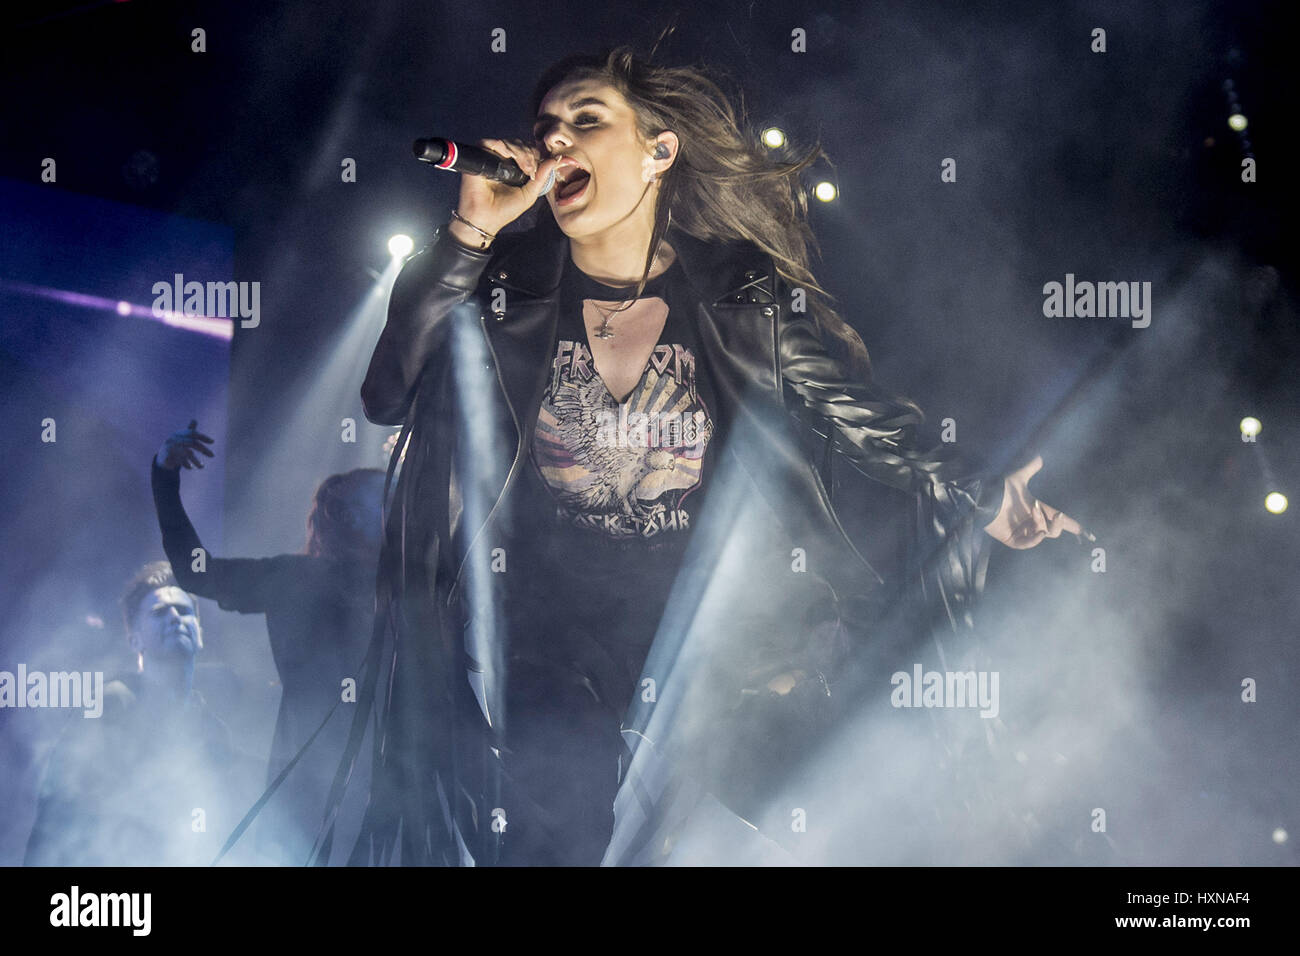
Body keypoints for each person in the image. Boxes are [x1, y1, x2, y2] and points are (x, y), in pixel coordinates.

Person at [335, 45, 1087, 866]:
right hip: (552, 630)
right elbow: (387, 395)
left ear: (659, 152)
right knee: (557, 838)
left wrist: (977, 488)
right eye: (546, 129)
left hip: (719, 637)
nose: (557, 145)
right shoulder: (501, 288)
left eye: (587, 122)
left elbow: (854, 411)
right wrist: (471, 231)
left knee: (798, 820)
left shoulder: (738, 291)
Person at [151, 423, 384, 864]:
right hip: (312, 799)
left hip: (391, 797)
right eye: (385, 497)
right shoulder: (297, 579)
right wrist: (165, 476)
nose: (400, 507)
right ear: (352, 516)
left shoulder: (411, 583)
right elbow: (196, 572)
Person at [24, 562, 245, 866]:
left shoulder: (213, 731)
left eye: (184, 611)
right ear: (134, 640)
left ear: (200, 634)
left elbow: (220, 827)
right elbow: (56, 810)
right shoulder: (109, 704)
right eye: (159, 612)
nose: (174, 618)